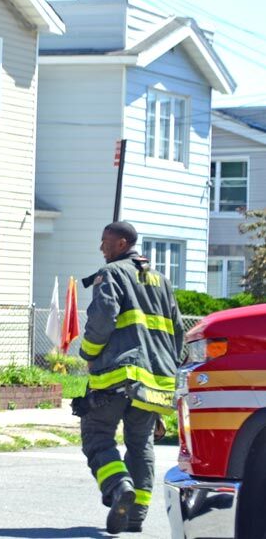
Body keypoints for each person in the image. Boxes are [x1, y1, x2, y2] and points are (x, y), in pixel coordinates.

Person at [78, 221, 183, 534]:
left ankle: (118, 485)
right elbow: (178, 333)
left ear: (121, 244)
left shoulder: (110, 274)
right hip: (155, 384)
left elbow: (102, 318)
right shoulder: (163, 282)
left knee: (97, 437)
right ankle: (136, 515)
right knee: (141, 446)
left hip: (116, 377)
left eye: (105, 241)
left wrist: (88, 352)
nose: (101, 248)